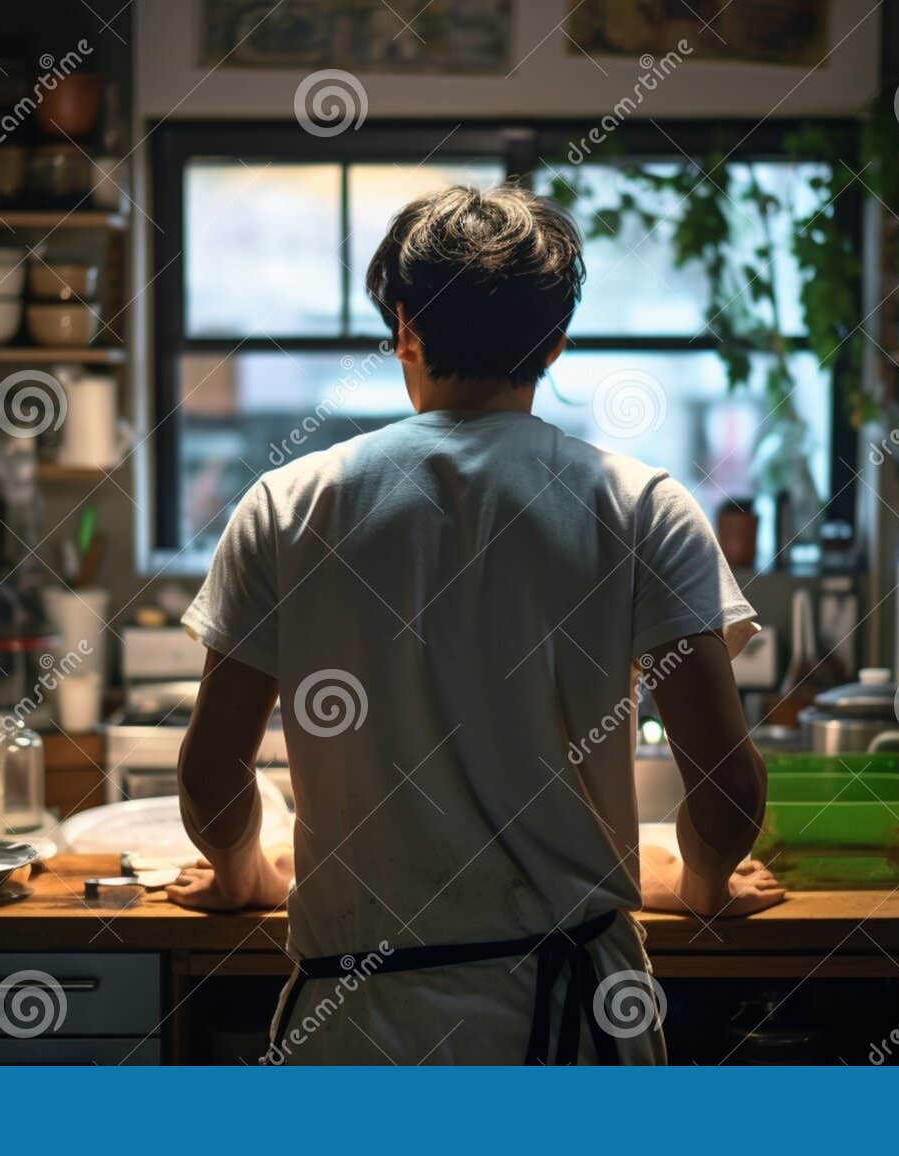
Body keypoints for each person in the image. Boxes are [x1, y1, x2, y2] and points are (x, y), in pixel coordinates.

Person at [170, 184, 784, 1065]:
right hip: (575, 1022)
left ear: (405, 329)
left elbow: (210, 772)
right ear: (558, 343)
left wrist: (242, 879)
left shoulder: (289, 503)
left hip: (358, 1029)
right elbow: (727, 794)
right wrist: (704, 885)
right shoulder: (643, 504)